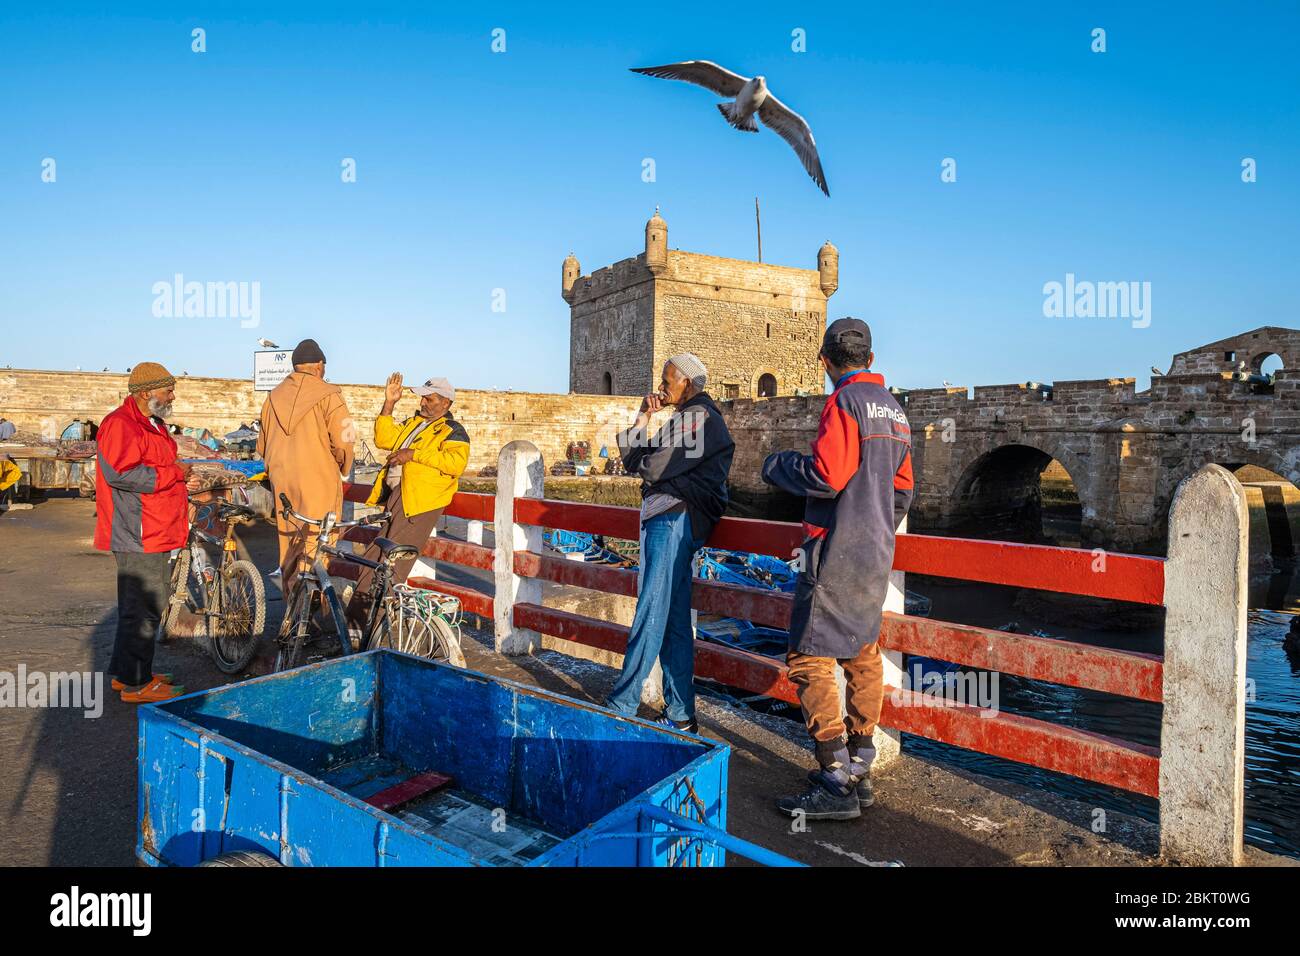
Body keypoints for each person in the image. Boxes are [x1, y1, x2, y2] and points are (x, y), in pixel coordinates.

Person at [761, 318, 913, 820]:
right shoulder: (894, 410)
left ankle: (834, 779)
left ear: (825, 361)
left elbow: (827, 475)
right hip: (874, 552)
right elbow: (903, 492)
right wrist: (871, 524)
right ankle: (860, 765)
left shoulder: (844, 402)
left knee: (808, 660)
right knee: (863, 653)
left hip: (833, 553)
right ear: (870, 358)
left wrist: (776, 465)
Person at [605, 353, 734, 733]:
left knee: (651, 609)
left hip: (675, 517)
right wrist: (643, 418)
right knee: (675, 620)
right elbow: (638, 462)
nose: (661, 387)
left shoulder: (695, 418)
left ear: (688, 384)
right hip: (680, 516)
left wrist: (647, 455)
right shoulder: (689, 418)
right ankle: (681, 714)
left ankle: (622, 704)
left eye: (667, 381)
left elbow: (650, 467)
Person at [94, 363, 201, 703]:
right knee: (144, 607)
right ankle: (137, 684)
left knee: (138, 605)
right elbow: (123, 474)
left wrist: (181, 477)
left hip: (154, 527)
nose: (172, 395)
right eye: (167, 390)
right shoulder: (120, 425)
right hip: (138, 531)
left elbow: (153, 468)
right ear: (145, 393)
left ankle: (128, 674)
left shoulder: (151, 424)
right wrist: (174, 472)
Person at [346, 373, 470, 629]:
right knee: (373, 557)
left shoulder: (453, 431)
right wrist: (389, 403)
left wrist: (413, 454)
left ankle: (376, 626)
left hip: (420, 501)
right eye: (422, 398)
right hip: (397, 497)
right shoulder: (413, 424)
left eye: (430, 398)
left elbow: (455, 464)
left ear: (445, 403)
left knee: (393, 563)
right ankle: (356, 623)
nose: (423, 403)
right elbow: (384, 439)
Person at [256, 339, 355, 588]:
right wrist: (342, 468)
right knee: (318, 541)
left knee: (289, 541)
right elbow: (344, 442)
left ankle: (292, 607)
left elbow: (262, 446)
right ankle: (312, 608)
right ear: (320, 365)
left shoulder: (272, 398)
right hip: (319, 480)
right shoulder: (330, 395)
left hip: (282, 483)